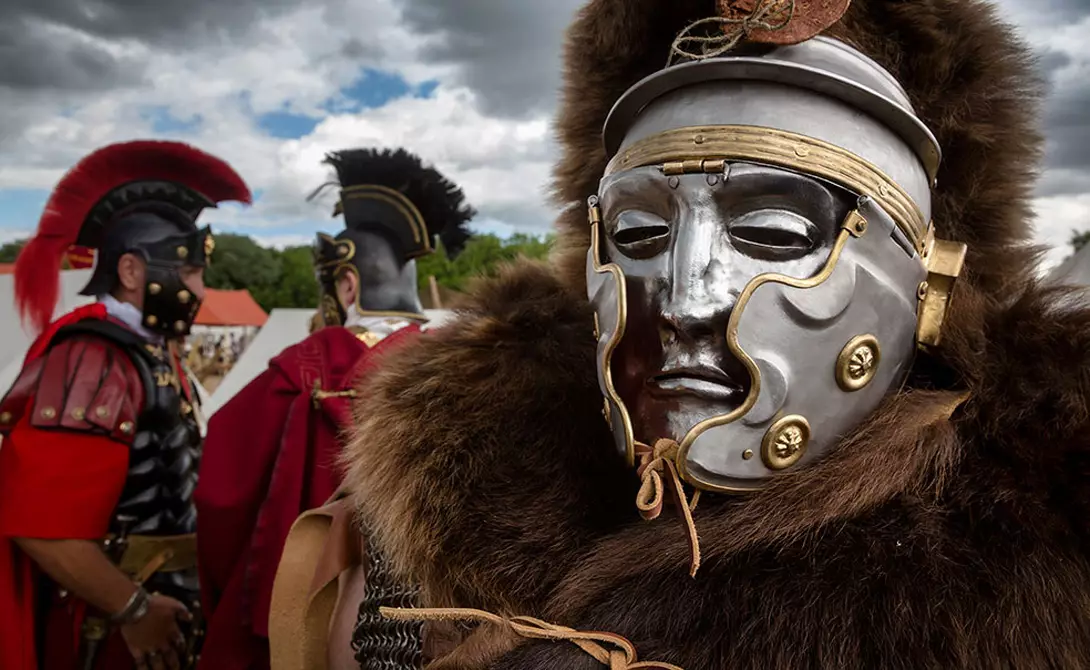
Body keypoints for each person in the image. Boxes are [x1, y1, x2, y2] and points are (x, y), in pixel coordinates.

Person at [274, 0, 1090, 668]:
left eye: (770, 230)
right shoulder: (464, 489)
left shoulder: (1034, 551)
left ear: (928, 287)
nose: (684, 302)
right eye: (637, 234)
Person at [195, 147, 474, 670]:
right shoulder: (471, 371)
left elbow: (219, 501)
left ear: (347, 282)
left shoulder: (302, 369)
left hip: (293, 629)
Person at [0, 140, 251, 670]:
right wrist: (133, 609)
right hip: (109, 626)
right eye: (188, 273)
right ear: (133, 272)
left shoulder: (144, 352)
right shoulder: (94, 357)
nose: (200, 291)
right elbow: (40, 524)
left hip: (162, 611)